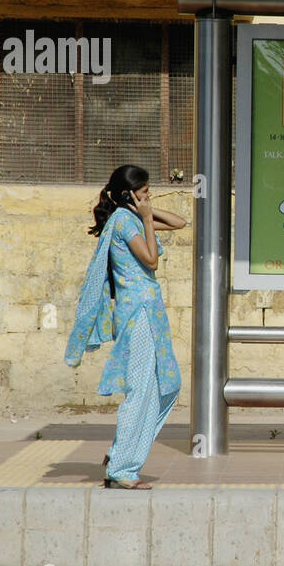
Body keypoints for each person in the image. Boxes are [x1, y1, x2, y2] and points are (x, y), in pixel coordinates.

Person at [64, 165, 186, 489]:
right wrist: (143, 216)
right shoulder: (123, 222)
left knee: (167, 385)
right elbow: (150, 259)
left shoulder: (131, 216)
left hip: (150, 312)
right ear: (127, 195)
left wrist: (144, 208)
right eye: (143, 193)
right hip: (137, 315)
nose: (149, 199)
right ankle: (122, 467)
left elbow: (181, 222)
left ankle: (120, 454)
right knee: (141, 389)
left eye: (147, 193)